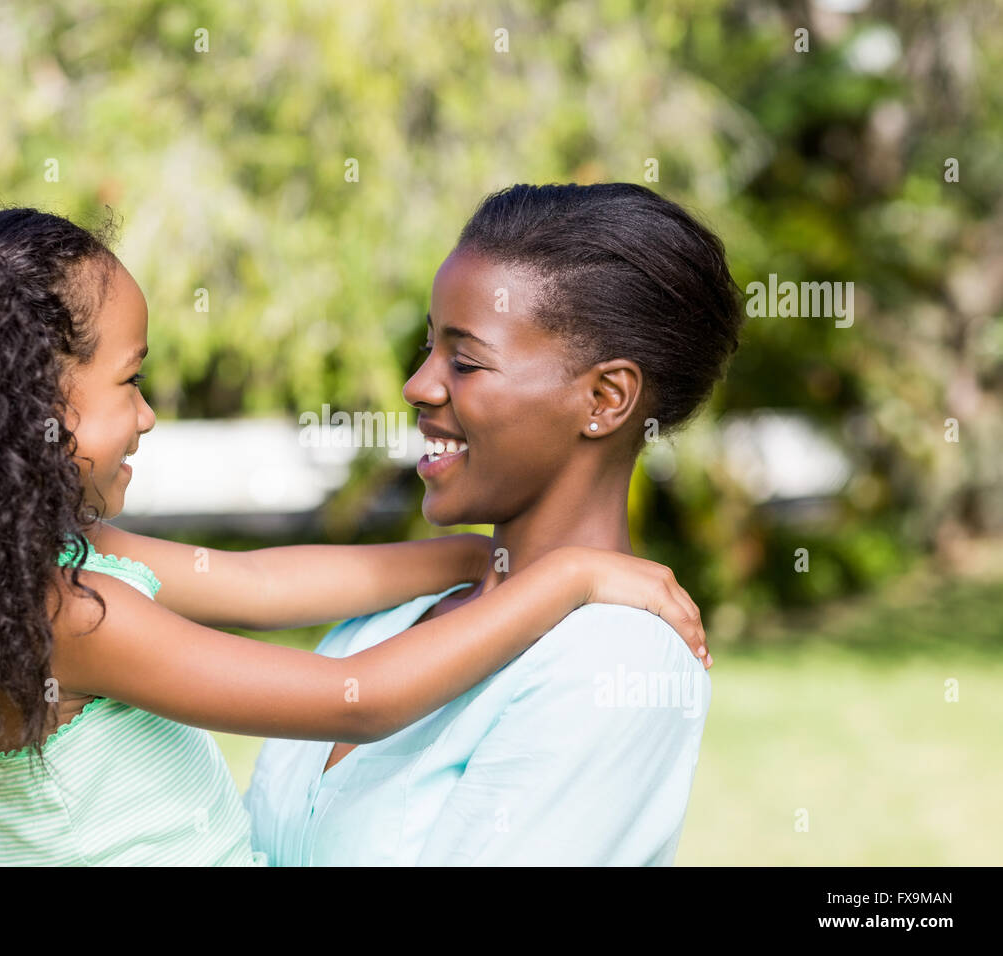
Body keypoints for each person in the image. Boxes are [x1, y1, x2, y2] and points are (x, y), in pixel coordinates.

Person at [0, 206, 709, 866]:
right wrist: (564, 578)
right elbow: (358, 698)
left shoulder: (49, 573)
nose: (152, 412)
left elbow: (259, 583)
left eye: (461, 356)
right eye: (131, 382)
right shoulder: (62, 617)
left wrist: (480, 560)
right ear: (23, 414)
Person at [244, 182, 743, 865]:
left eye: (466, 361)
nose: (418, 386)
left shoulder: (616, 662)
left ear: (605, 398)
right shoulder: (386, 617)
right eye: (427, 349)